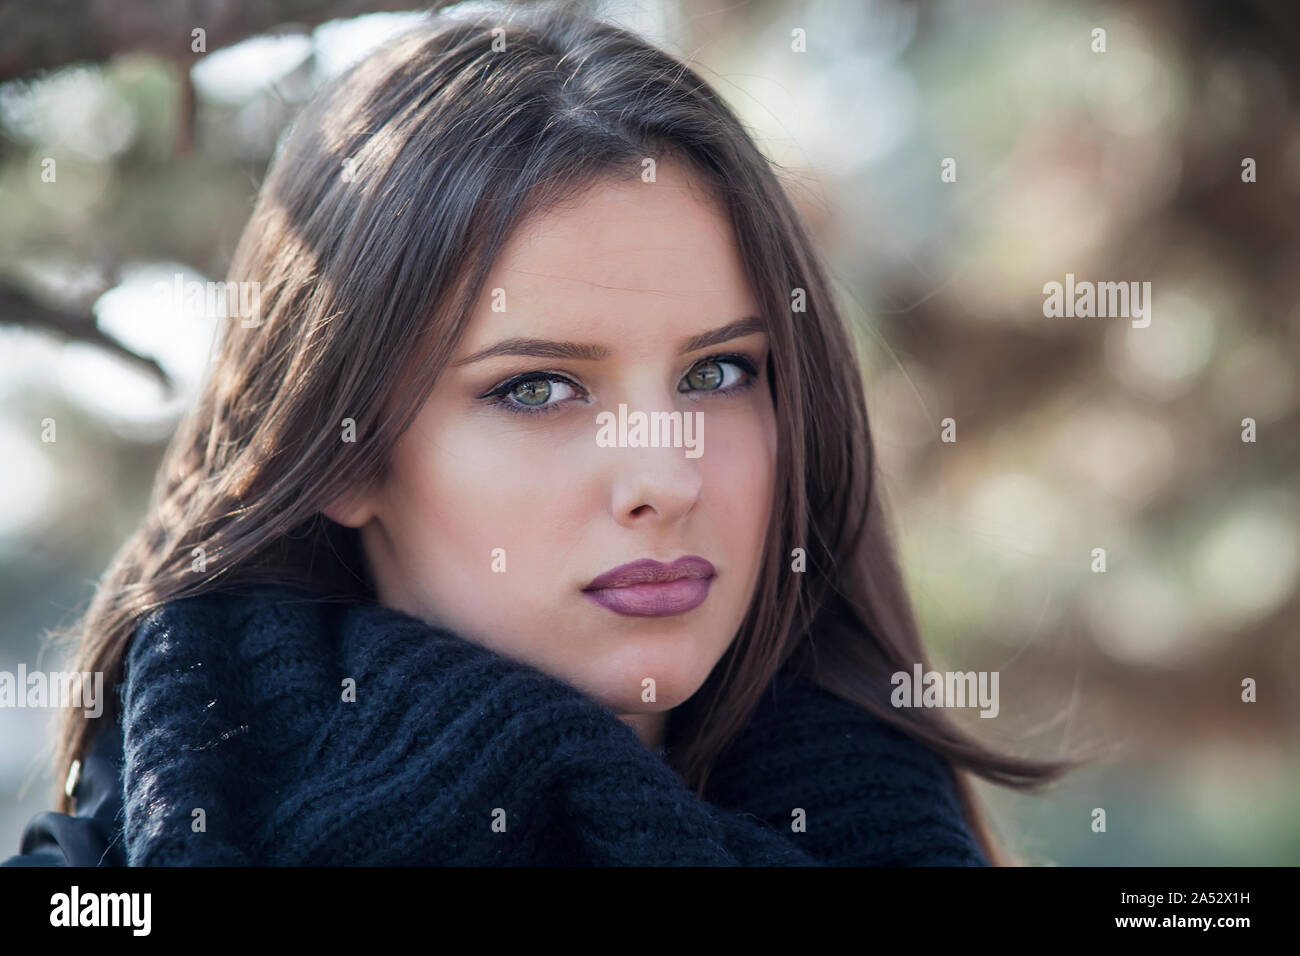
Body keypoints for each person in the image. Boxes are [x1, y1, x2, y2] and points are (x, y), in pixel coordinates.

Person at [4, 1, 1079, 867]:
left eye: (718, 371)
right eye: (537, 388)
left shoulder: (890, 824)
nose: (664, 476)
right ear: (346, 450)